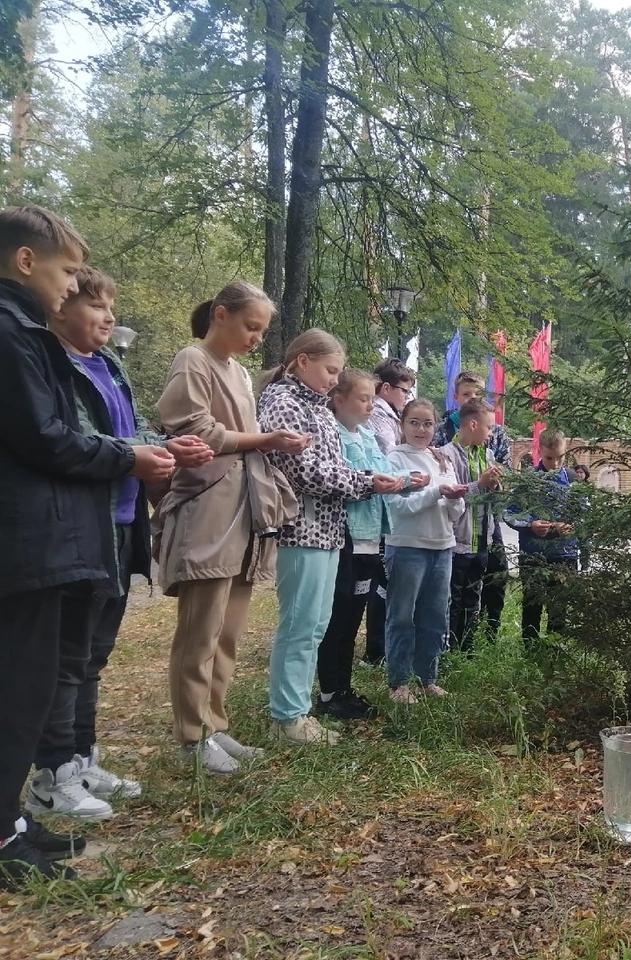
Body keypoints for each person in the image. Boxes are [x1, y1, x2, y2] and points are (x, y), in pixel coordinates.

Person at [0, 205, 174, 887]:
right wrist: (127, 459)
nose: (71, 287)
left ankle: (12, 820)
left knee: (32, 685)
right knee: (21, 687)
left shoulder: (22, 333)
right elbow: (43, 438)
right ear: (24, 261)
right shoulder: (13, 336)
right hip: (26, 540)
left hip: (41, 539)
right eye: (67, 271)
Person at [28, 266, 213, 820]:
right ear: (59, 307)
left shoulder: (108, 365)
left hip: (122, 521)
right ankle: (52, 775)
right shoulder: (50, 364)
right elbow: (75, 442)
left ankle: (82, 760)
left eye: (111, 306)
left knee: (94, 655)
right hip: (79, 526)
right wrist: (138, 451)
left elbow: (126, 435)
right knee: (68, 656)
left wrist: (166, 445)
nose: (108, 317)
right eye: (94, 305)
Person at [154, 282, 309, 776]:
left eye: (262, 330)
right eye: (250, 326)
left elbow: (238, 438)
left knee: (229, 629)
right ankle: (190, 736)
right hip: (207, 511)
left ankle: (216, 726)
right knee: (200, 630)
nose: (257, 338)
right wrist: (267, 438)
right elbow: (195, 430)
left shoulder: (241, 374)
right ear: (220, 315)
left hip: (244, 512)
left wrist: (267, 443)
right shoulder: (192, 360)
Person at [258, 330, 402, 745]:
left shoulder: (315, 406)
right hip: (299, 527)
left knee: (315, 625)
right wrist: (368, 482)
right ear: (302, 361)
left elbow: (328, 467)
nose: (333, 380)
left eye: (338, 372)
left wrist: (363, 480)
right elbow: (306, 472)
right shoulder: (284, 402)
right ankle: (287, 716)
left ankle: (296, 711)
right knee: (300, 625)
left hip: (326, 530)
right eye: (330, 370)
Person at [315, 369, 417, 720]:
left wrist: (410, 481)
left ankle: (343, 688)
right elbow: (346, 480)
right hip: (345, 536)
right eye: (363, 398)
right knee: (338, 617)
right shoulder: (335, 437)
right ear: (338, 400)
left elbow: (384, 473)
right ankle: (329, 692)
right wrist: (378, 482)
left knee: (354, 615)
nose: (370, 405)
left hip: (372, 538)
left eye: (373, 399)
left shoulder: (369, 438)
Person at [385, 399, 468, 702]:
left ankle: (427, 678)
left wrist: (455, 497)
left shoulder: (440, 459)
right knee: (403, 616)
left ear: (436, 426)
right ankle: (399, 682)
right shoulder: (394, 458)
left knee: (435, 616)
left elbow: (455, 512)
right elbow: (397, 508)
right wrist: (436, 492)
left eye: (428, 423)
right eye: (414, 422)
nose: (421, 429)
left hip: (442, 547)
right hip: (407, 547)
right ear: (402, 425)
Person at [434, 371, 512, 637]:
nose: (492, 434)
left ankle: (473, 642)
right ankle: (451, 645)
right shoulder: (445, 447)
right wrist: (480, 483)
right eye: (489, 428)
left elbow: (500, 484)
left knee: (476, 592)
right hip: (456, 536)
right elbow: (449, 492)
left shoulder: (489, 451)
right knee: (453, 595)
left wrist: (497, 484)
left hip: (484, 532)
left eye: (477, 394)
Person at [361, 358, 417, 664]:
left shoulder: (390, 416)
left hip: (383, 505)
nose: (406, 397)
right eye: (404, 391)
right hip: (377, 506)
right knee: (379, 581)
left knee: (380, 581)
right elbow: (389, 457)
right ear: (386, 388)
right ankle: (376, 649)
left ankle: (377, 646)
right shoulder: (381, 418)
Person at [506, 429, 582, 647]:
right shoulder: (528, 480)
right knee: (532, 605)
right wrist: (531, 525)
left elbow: (585, 512)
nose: (555, 463)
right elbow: (510, 512)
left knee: (559, 607)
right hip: (533, 554)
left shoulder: (573, 480)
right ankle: (529, 651)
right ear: (540, 452)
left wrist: (572, 525)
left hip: (565, 554)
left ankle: (555, 652)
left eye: (560, 457)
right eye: (550, 458)